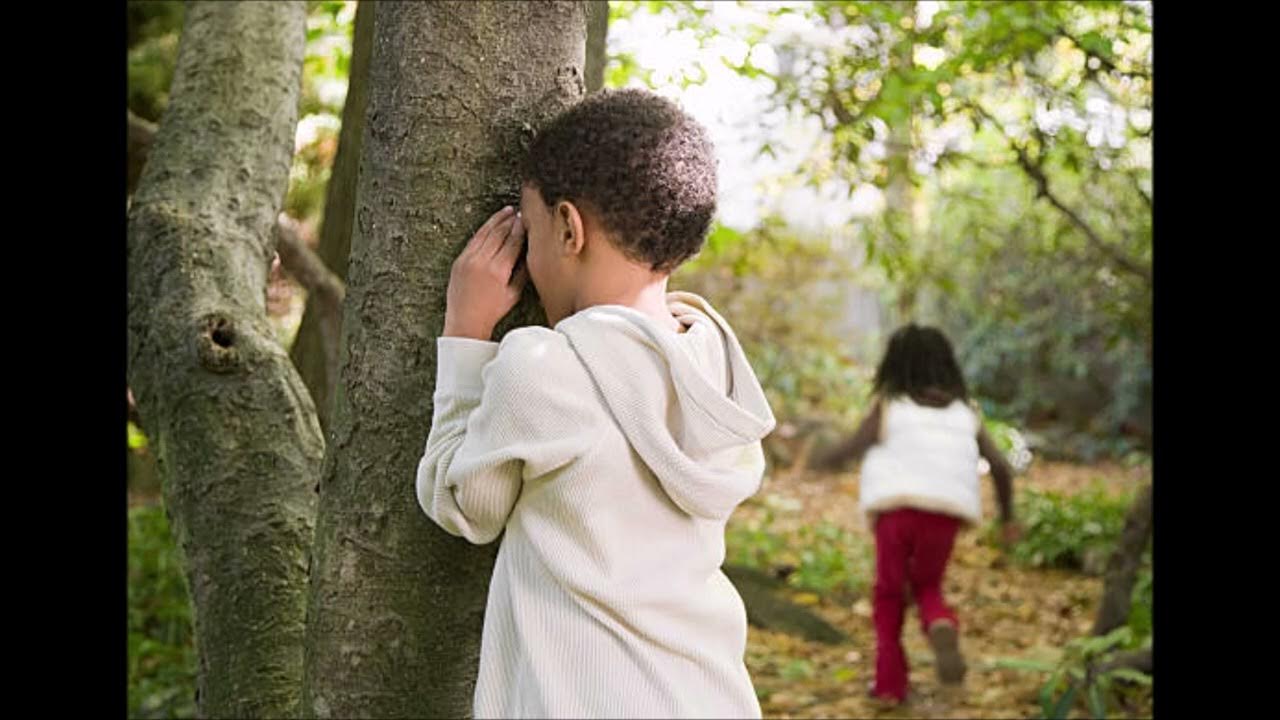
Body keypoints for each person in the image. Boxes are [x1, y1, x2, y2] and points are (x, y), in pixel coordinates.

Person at [415, 88, 776, 718]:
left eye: (529, 234)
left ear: (567, 227)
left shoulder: (546, 367)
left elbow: (464, 505)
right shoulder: (713, 361)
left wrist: (465, 335)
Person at [814, 323, 1020, 705]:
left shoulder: (890, 407)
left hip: (896, 511)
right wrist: (1008, 519)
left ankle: (889, 685)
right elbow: (1001, 468)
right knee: (928, 586)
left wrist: (818, 460)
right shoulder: (965, 413)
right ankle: (940, 622)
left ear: (894, 365)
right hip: (944, 514)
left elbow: (852, 447)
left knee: (889, 594)